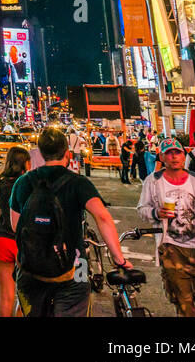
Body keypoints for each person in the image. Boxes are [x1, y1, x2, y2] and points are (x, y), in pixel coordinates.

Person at [9, 127, 132, 317]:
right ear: (67, 153)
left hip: (31, 267)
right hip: (74, 267)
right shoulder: (78, 183)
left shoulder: (23, 182)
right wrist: (118, 258)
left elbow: (16, 226)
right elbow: (102, 217)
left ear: (40, 153)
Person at [137, 138, 195, 317]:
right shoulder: (153, 182)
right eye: (168, 153)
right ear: (162, 157)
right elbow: (142, 209)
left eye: (177, 152)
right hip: (171, 250)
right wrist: (156, 213)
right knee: (184, 305)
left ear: (183, 155)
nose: (174, 157)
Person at [0, 146, 31, 317]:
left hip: (3, 240)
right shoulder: (27, 184)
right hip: (22, 242)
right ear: (24, 163)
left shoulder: (0, 184)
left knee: (6, 296)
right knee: (25, 296)